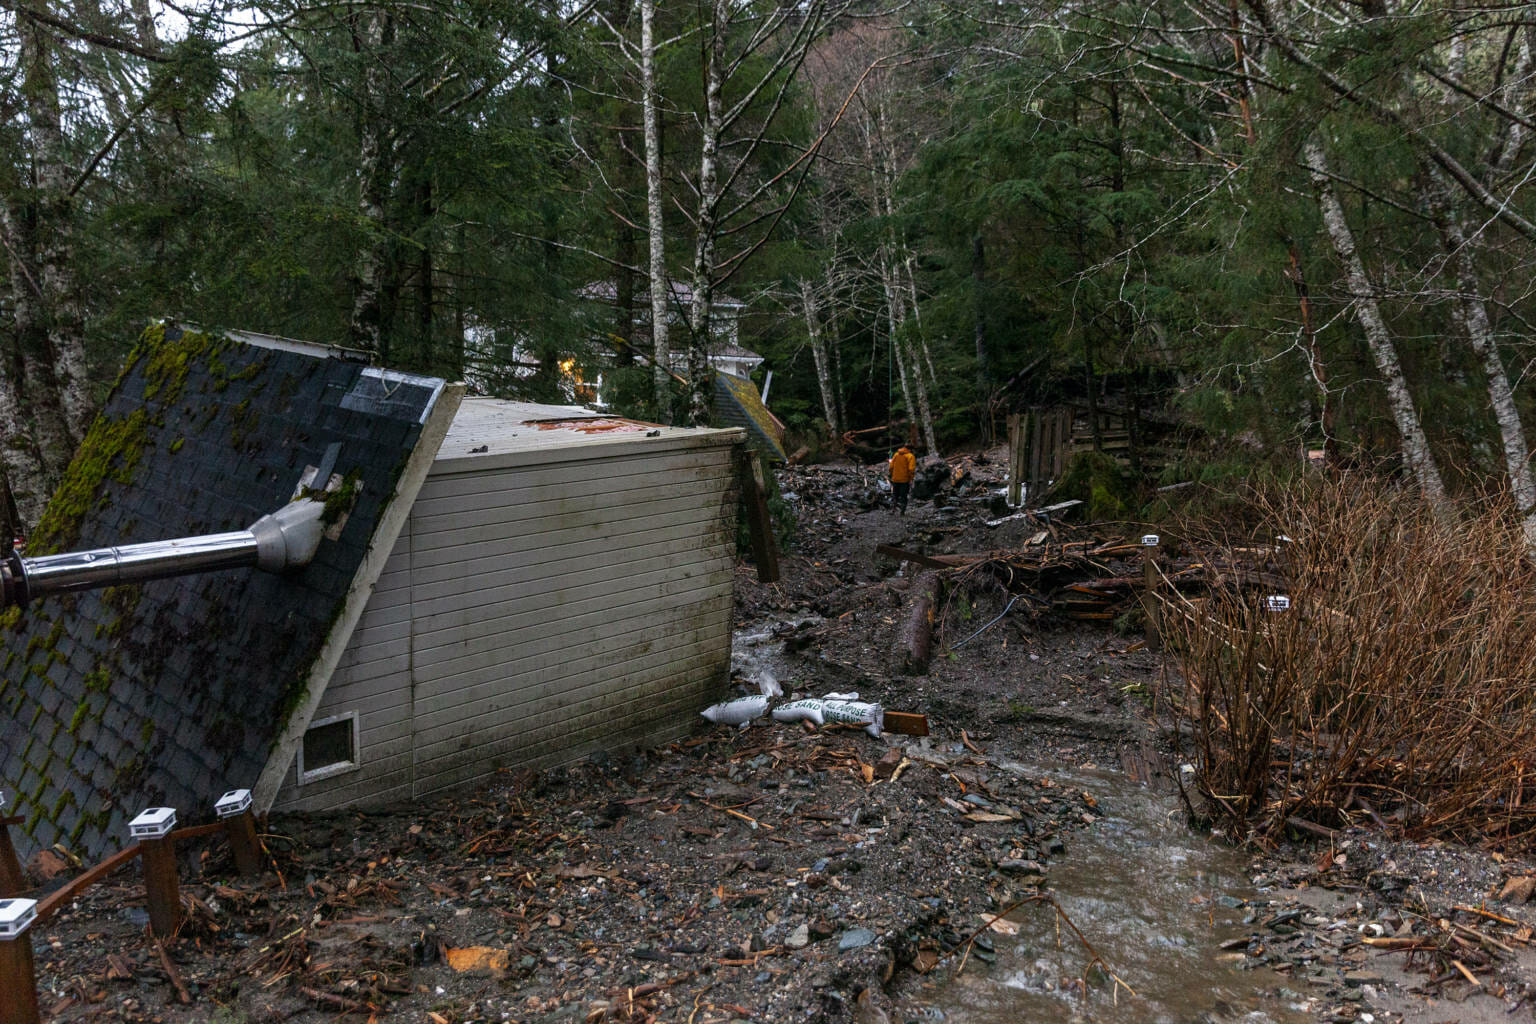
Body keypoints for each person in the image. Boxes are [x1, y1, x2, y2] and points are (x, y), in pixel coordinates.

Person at [888, 445, 916, 515]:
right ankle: (902, 512)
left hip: (895, 479)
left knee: (895, 495)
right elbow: (911, 469)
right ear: (910, 449)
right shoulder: (910, 456)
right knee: (903, 496)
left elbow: (891, 466)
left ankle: (893, 510)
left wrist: (892, 474)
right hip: (904, 480)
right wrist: (911, 478)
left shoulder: (896, 454)